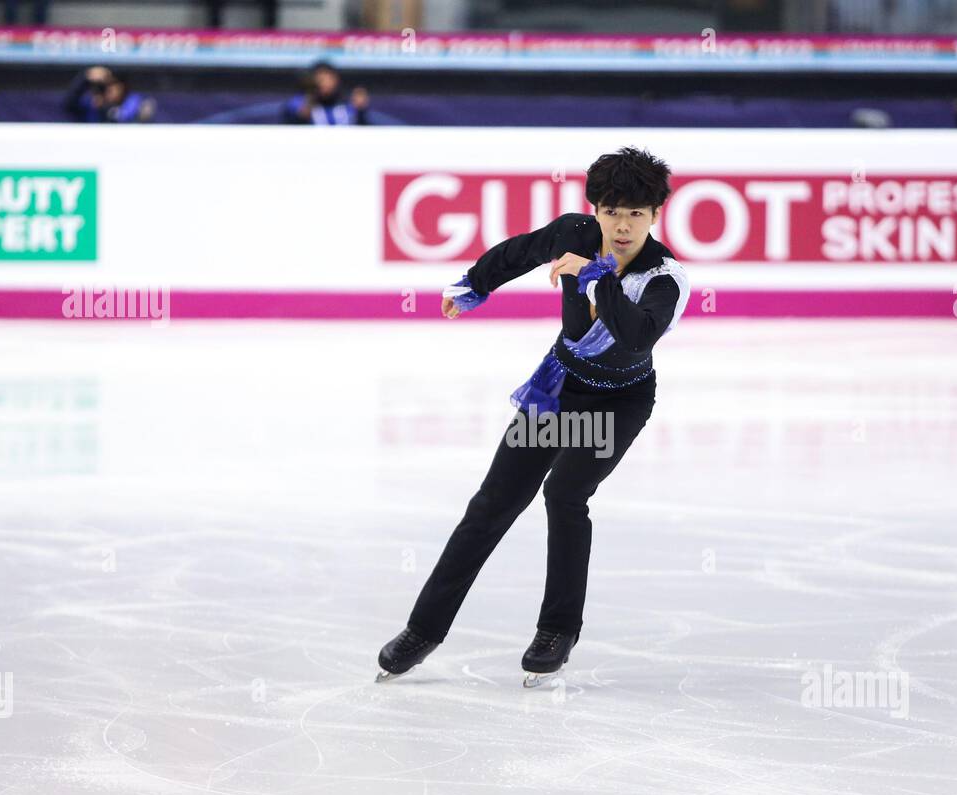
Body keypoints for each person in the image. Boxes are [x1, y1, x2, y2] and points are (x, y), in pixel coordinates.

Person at [376, 147, 690, 687]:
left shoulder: (664, 279)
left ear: (655, 216)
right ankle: (424, 629)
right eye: (612, 211)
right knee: (491, 505)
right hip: (559, 388)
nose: (622, 225)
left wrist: (594, 277)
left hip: (617, 402)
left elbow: (636, 335)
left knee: (566, 495)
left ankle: (558, 631)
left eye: (636, 214)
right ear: (595, 209)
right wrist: (475, 284)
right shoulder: (574, 233)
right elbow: (521, 251)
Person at [282, 61, 368, 125]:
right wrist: (301, 117)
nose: (324, 84)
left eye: (328, 78)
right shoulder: (298, 104)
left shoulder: (350, 106)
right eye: (320, 79)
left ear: (336, 79)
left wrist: (361, 112)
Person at [64, 66, 156, 123]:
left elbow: (127, 121)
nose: (108, 89)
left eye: (112, 84)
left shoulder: (136, 102)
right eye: (104, 85)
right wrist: (84, 79)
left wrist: (106, 108)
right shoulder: (92, 102)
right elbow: (68, 106)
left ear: (123, 86)